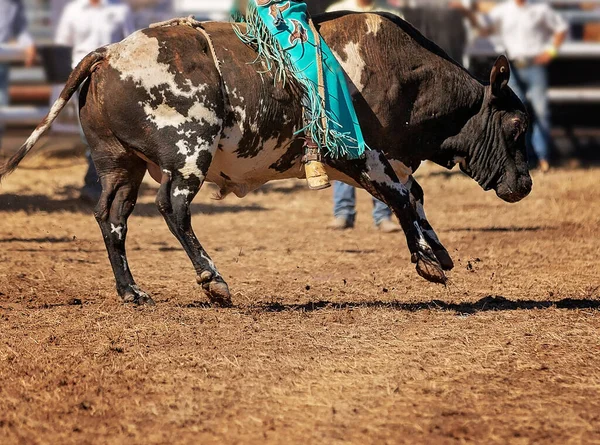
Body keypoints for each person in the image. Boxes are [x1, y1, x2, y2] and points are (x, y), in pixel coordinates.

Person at [453, 0, 568, 173]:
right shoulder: (504, 10)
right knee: (517, 113)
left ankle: (542, 157)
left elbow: (561, 29)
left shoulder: (539, 9)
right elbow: (484, 30)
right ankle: (528, 157)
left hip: (534, 64)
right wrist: (468, 14)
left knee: (540, 111)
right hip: (513, 66)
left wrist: (550, 52)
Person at [325, 0, 400, 233]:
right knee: (343, 150)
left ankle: (382, 214)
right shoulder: (334, 13)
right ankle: (343, 212)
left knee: (383, 156)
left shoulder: (392, 15)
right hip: (345, 94)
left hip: (381, 98)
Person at [55, 0, 134, 202]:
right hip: (82, 76)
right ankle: (97, 185)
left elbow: (129, 43)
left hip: (113, 77)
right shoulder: (73, 10)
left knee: (112, 131)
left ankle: (107, 185)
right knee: (89, 134)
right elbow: (63, 44)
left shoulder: (120, 10)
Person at [0, 0, 37, 151]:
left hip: (2, 63)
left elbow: (20, 28)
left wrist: (28, 44)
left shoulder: (13, 3)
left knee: (1, 109)